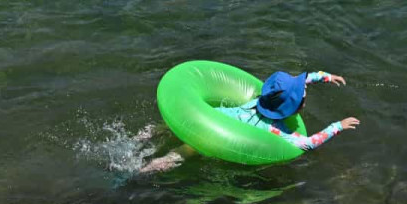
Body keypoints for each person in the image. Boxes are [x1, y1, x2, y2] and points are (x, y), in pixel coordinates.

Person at [137, 69, 360, 174]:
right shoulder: (278, 131)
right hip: (214, 135)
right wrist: (337, 126)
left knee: (175, 125)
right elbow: (309, 143)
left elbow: (302, 81)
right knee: (183, 153)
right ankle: (142, 172)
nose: (305, 94)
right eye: (303, 98)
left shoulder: (258, 98)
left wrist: (326, 77)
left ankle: (148, 134)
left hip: (213, 115)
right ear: (292, 109)